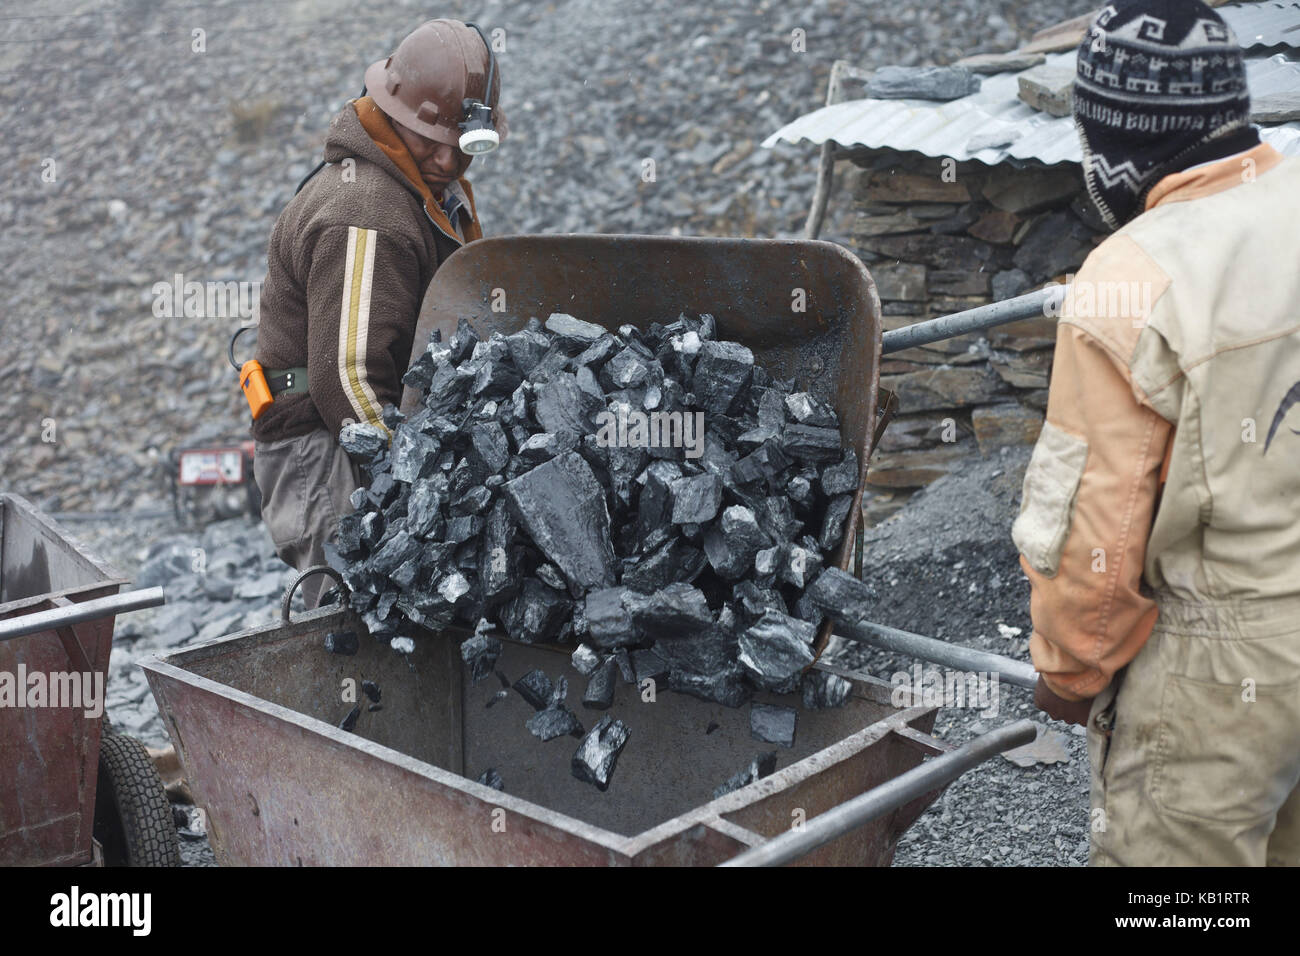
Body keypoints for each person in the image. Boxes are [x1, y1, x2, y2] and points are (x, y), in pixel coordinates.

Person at [1014, 0, 1300, 865]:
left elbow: (1099, 528)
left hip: (1223, 671)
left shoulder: (1130, 276)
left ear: (1113, 135)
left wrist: (1068, 675)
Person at [249, 19, 505, 608]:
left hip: (362, 429)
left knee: (396, 621)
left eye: (462, 144)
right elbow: (349, 373)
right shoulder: (366, 210)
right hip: (325, 449)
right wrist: (412, 482)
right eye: (428, 138)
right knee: (350, 620)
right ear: (392, 115)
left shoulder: (425, 190)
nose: (446, 158)